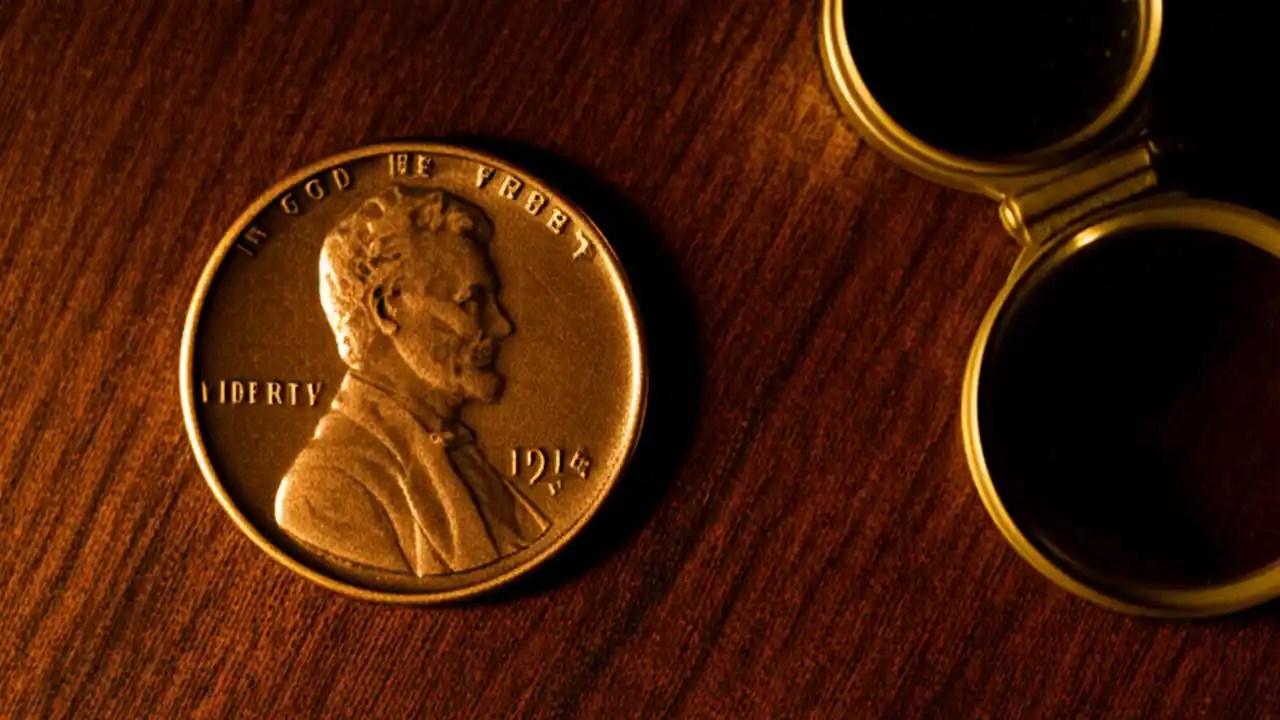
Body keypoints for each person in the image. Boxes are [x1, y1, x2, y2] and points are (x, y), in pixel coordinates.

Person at [275, 185, 548, 577]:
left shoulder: (458, 451)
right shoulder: (323, 490)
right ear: (387, 308)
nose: (502, 325)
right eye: (470, 301)